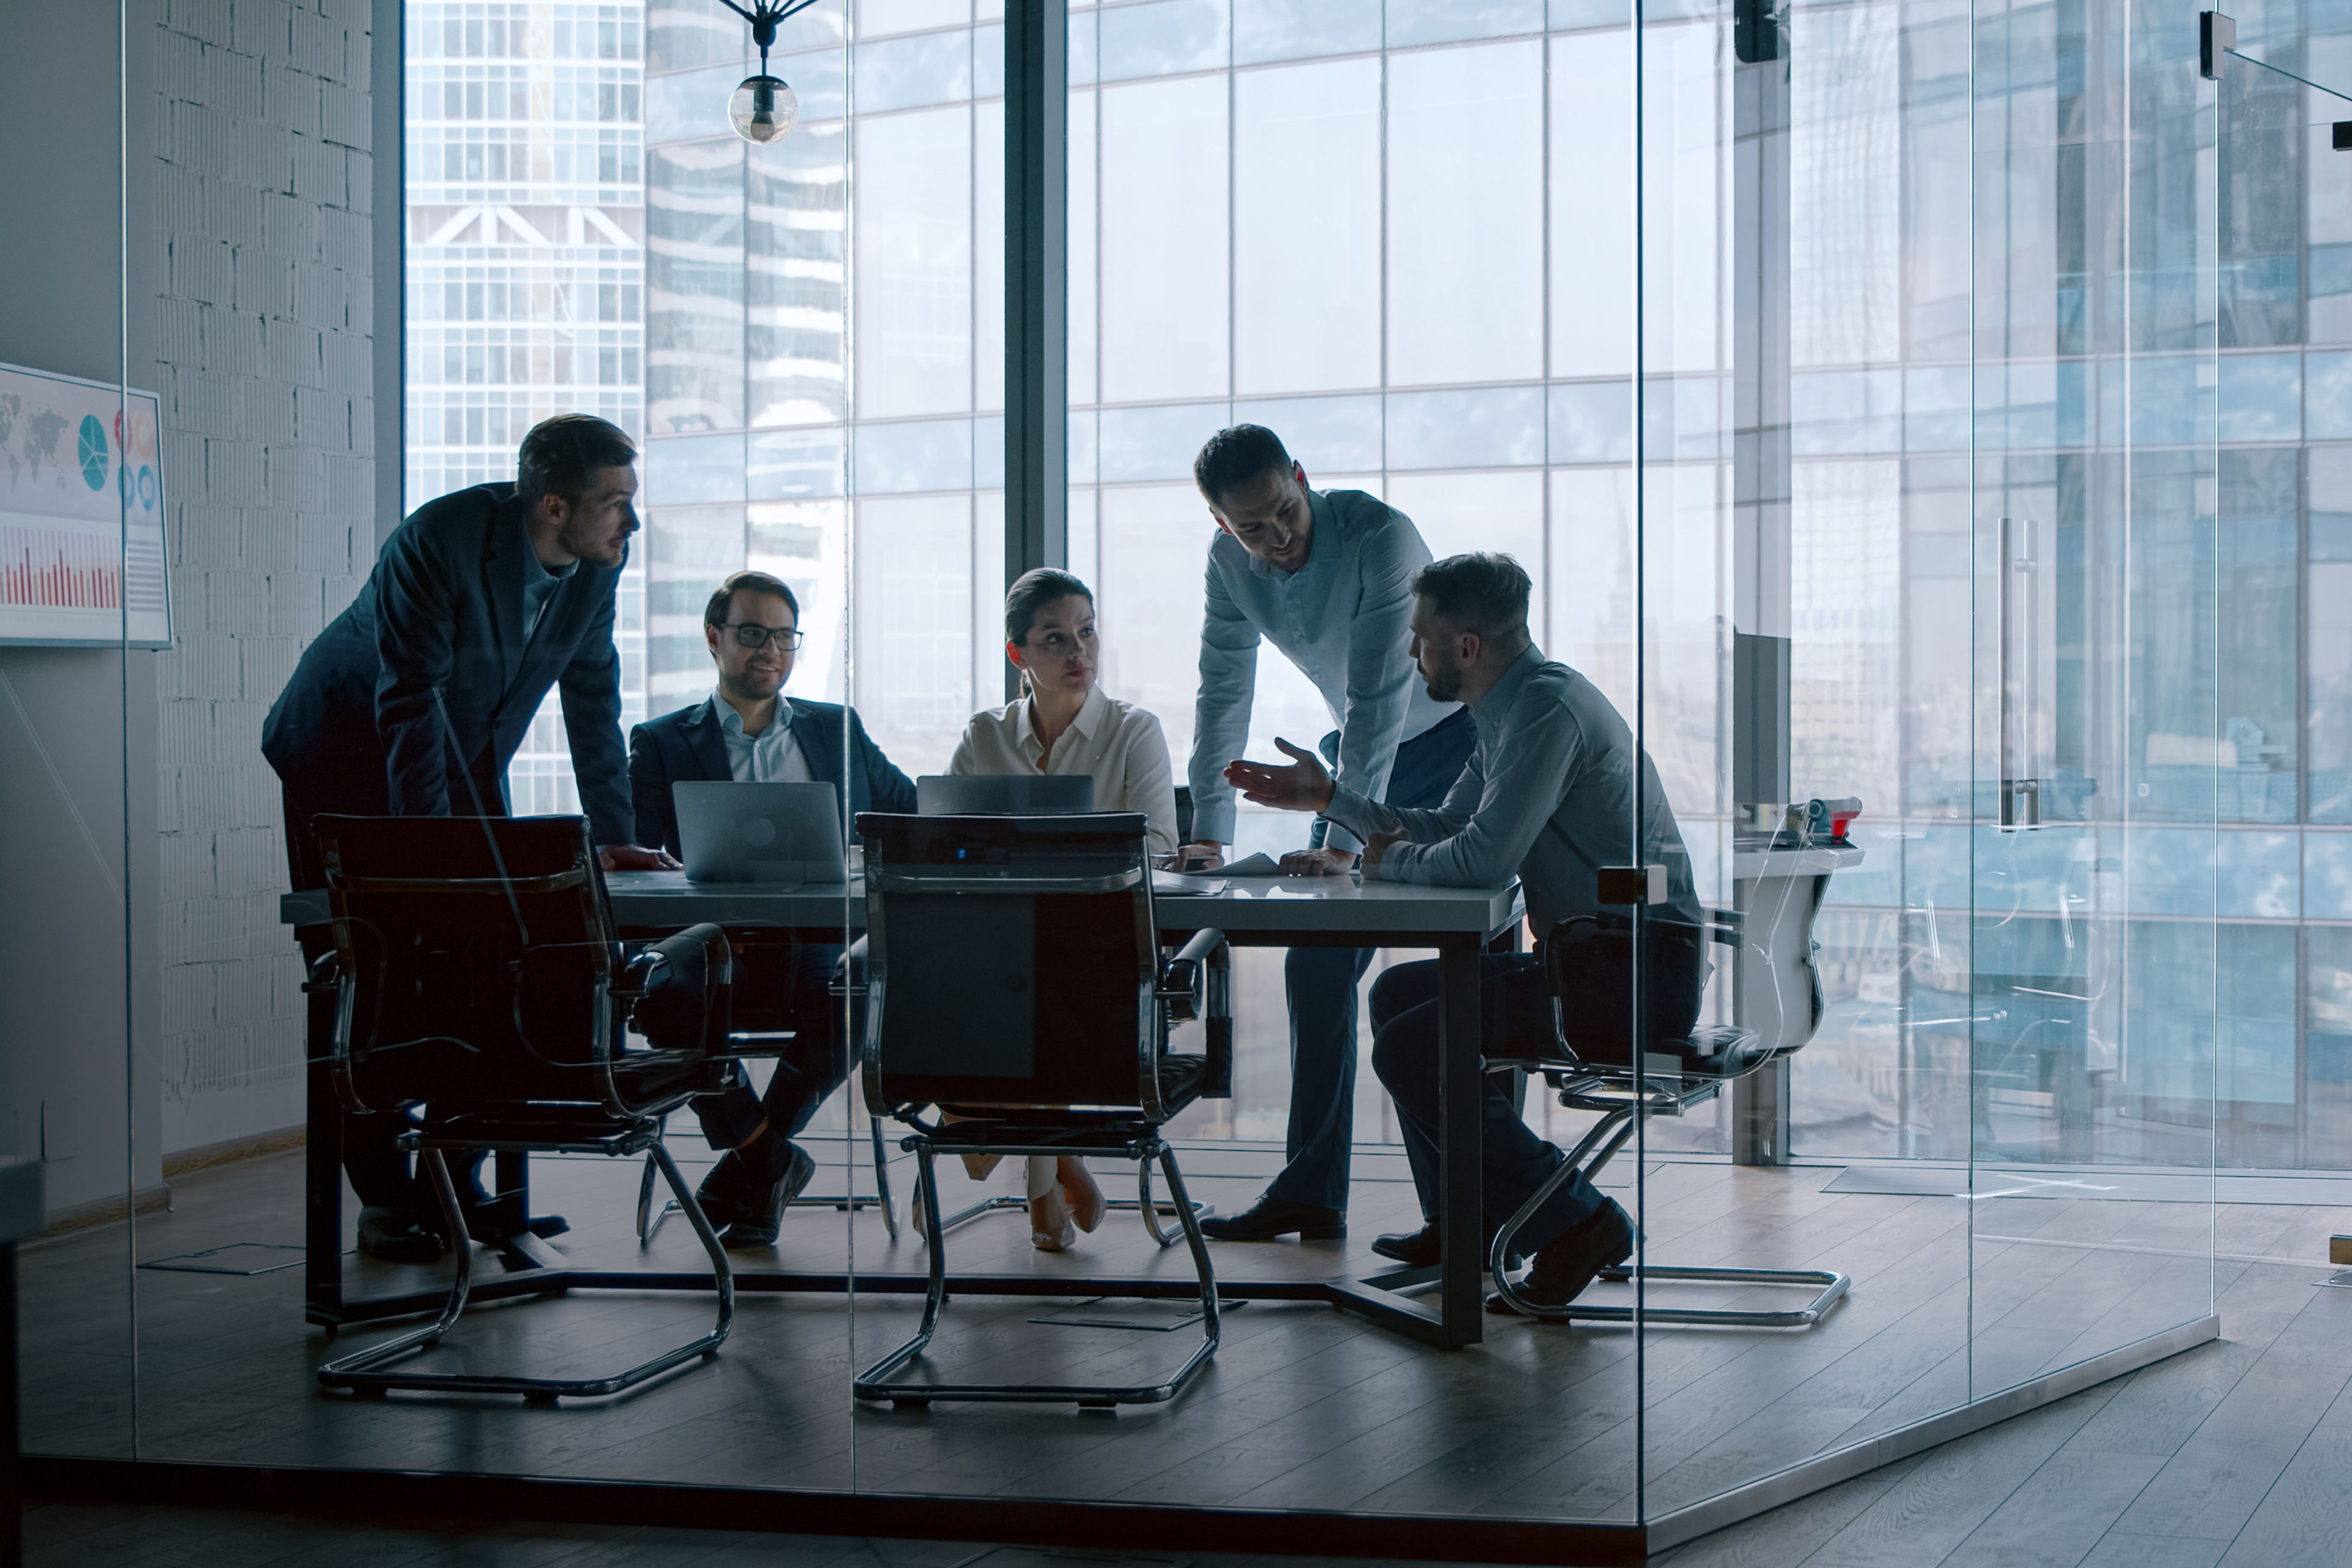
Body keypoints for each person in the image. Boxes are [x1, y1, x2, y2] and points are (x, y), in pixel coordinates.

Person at [1225, 552, 1706, 1312]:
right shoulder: (1511, 710)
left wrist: (1385, 861)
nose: (1413, 656)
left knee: (1415, 1046)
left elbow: (1484, 859)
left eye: (1420, 640)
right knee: (1399, 993)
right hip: (1592, 960)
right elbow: (1451, 825)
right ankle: (1467, 1218)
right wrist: (1334, 799)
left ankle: (1578, 1216)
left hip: (1635, 974)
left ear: (1467, 647)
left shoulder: (1548, 713)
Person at [262, 413, 676, 1264]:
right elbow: (406, 702)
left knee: (492, 960)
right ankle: (388, 1203)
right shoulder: (440, 540)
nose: (631, 523)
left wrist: (618, 838)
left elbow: (593, 700)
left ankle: (450, 1180)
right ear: (555, 506)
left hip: (463, 749)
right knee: (369, 968)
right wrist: (436, 863)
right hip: (342, 749)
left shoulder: (598, 564)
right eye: (616, 504)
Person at [1178, 426, 1477, 1243]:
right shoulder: (1229, 568)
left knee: (1467, 965)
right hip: (1363, 759)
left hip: (1461, 746)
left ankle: (1467, 1215)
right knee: (1316, 960)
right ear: (1221, 526)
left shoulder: (1381, 537)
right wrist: (1208, 830)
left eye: (1284, 513)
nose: (1276, 540)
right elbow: (1221, 691)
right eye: (1251, 529)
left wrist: (1347, 835)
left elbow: (1380, 692)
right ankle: (1311, 1187)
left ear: (1304, 480)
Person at [627, 569, 918, 1246]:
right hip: (708, 945)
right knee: (660, 1001)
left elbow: (905, 813)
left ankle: (755, 1163)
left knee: (857, 994)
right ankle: (768, 1161)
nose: (771, 650)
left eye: (784, 636)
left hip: (813, 941)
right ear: (714, 637)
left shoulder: (835, 729)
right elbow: (638, 857)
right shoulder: (663, 740)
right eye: (753, 633)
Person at [945, 568, 1179, 1250]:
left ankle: (1021, 1162)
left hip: (1100, 954)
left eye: (1086, 631)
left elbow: (1158, 849)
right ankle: (1052, 1161)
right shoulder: (983, 737)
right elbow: (944, 846)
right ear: (1019, 654)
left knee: (1029, 984)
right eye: (1055, 639)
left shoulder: (1135, 731)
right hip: (1000, 954)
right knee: (1004, 977)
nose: (1080, 652)